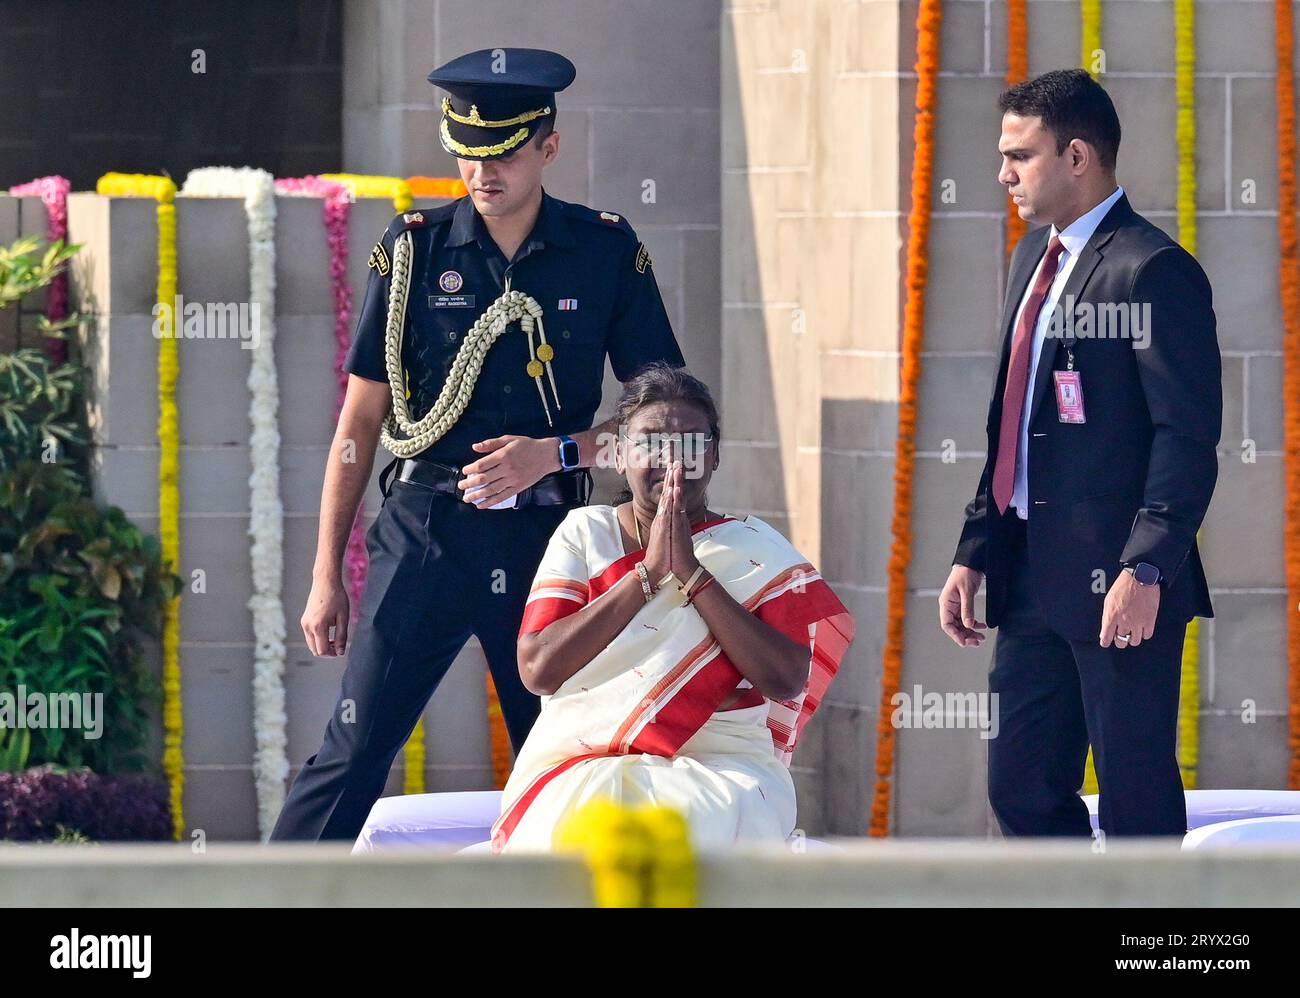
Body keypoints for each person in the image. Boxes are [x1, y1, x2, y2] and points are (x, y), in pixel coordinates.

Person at [271, 48, 685, 842]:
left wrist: (554, 453)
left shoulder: (604, 250)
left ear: (548, 148)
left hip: (550, 541)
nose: (479, 170)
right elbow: (359, 425)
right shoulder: (413, 247)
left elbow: (665, 417)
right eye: (466, 150)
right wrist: (328, 573)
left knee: (564, 756)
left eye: (501, 153)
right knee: (352, 750)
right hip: (426, 529)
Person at [938, 69, 1221, 838]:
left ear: (1077, 156)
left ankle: (1154, 951)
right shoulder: (1033, 258)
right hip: (1029, 574)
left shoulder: (1153, 269)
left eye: (1019, 156)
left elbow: (1187, 437)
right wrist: (975, 548)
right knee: (1021, 789)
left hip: (1122, 586)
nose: (1003, 175)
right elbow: (1012, 423)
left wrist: (1148, 567)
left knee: (1136, 800)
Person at [489, 363, 855, 853]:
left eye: (690, 443)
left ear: (715, 456)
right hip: (589, 755)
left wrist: (694, 575)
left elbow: (787, 678)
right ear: (618, 454)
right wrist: (648, 575)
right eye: (651, 443)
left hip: (723, 759)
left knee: (698, 828)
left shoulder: (754, 546)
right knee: (585, 833)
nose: (671, 460)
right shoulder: (586, 534)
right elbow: (538, 670)